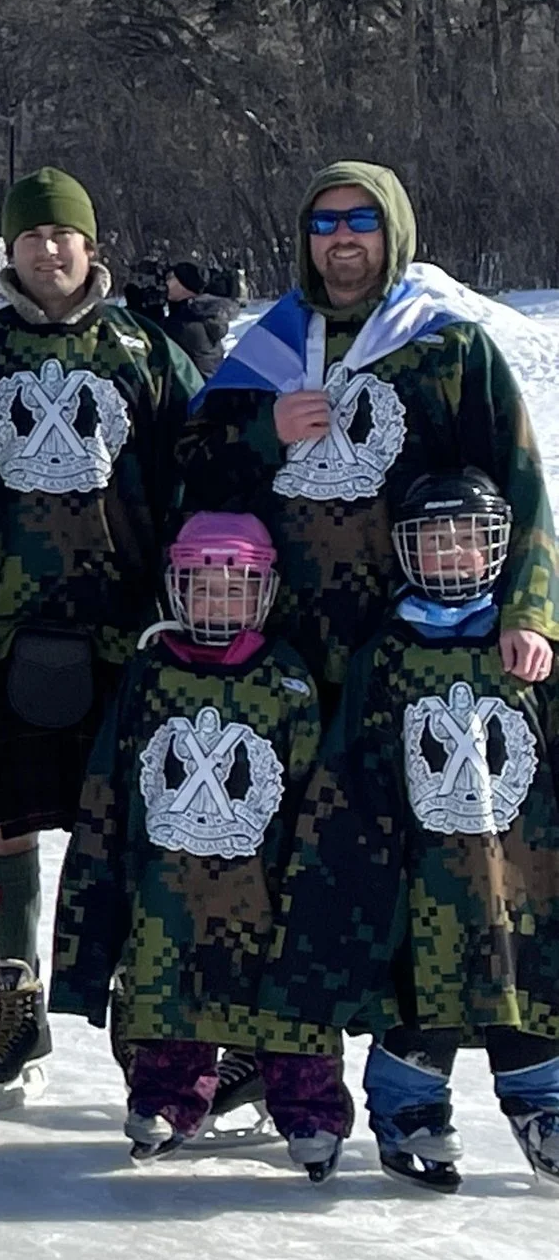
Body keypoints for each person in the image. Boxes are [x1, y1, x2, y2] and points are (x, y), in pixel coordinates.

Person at [178, 159, 559, 1129]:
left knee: (414, 860)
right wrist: (264, 433)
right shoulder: (265, 350)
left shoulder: (447, 348)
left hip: (414, 652)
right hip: (286, 651)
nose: (341, 239)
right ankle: (268, 1050)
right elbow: (190, 477)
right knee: (274, 851)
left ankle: (419, 1057)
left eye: (360, 221)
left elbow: (519, 485)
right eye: (324, 223)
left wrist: (528, 610)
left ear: (392, 231)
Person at [0, 169, 200, 1111]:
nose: (48, 249)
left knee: (123, 827)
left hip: (128, 635)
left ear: (91, 245)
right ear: (10, 249)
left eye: (63, 234)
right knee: (4, 825)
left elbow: (198, 484)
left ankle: (135, 1006)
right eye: (32, 235)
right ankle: (20, 1000)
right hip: (1, 630)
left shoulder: (147, 355)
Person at [278, 470, 559, 1191]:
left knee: (528, 982)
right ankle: (409, 1111)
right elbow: (355, 760)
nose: (453, 554)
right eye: (436, 540)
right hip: (420, 863)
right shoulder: (388, 651)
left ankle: (544, 1107)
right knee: (418, 988)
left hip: (519, 862)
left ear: (496, 547)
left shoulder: (527, 647)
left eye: (468, 539)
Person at [49, 512, 352, 1180]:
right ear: (177, 589)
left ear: (264, 592)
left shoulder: (287, 679)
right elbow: (114, 777)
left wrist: (311, 873)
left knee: (288, 994)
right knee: (165, 987)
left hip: (261, 881)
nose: (218, 602)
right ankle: (167, 1099)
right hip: (169, 880)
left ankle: (310, 1111)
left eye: (234, 589)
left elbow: (313, 786)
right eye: (203, 588)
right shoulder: (150, 673)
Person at [160, 262, 237, 374]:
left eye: (171, 279)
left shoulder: (185, 324)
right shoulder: (202, 313)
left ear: (183, 286)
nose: (167, 283)